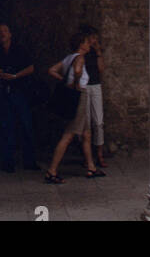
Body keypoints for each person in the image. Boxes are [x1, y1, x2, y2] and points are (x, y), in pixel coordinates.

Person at [44, 28, 106, 183]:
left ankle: (91, 168)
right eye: (86, 42)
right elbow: (78, 71)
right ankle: (51, 171)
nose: (89, 45)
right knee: (69, 134)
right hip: (80, 96)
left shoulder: (68, 58)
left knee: (86, 134)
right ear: (81, 45)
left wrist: (64, 81)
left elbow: (51, 70)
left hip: (76, 95)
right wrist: (76, 82)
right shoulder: (80, 58)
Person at [0, 23, 38, 172]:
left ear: (10, 34)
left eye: (5, 31)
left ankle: (29, 161)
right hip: (5, 92)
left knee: (25, 126)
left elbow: (31, 68)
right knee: (6, 126)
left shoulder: (19, 50)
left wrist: (16, 76)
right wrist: (0, 75)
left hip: (20, 91)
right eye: (0, 32)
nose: (2, 34)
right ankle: (8, 162)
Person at [82, 25, 107, 168]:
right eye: (92, 38)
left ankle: (99, 154)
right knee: (86, 123)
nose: (94, 41)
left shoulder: (96, 52)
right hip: (85, 87)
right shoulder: (82, 52)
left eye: (96, 38)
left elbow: (101, 69)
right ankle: (87, 156)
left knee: (98, 122)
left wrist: (98, 52)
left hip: (96, 86)